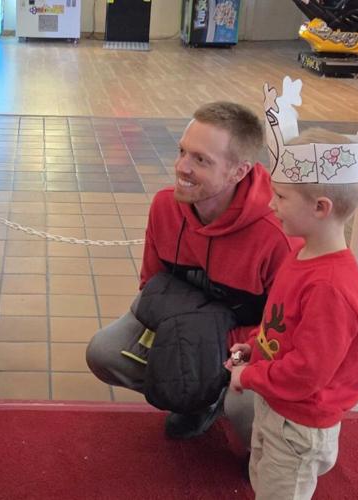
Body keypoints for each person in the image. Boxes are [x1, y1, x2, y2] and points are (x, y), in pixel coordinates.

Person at [86, 102, 295, 444]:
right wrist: (182, 348)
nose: (181, 167)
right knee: (104, 353)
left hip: (244, 345)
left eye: (200, 160)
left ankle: (249, 443)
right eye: (182, 151)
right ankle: (199, 401)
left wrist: (211, 351)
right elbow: (151, 287)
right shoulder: (165, 206)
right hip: (185, 323)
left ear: (238, 172)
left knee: (244, 404)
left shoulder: (278, 235)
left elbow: (283, 331)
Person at [226, 127, 358, 499]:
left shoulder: (331, 288)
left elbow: (308, 371)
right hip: (278, 404)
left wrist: (250, 375)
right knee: (263, 478)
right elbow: (282, 323)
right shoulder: (302, 253)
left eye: (280, 196)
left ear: (320, 207)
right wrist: (254, 347)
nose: (270, 205)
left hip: (299, 421)